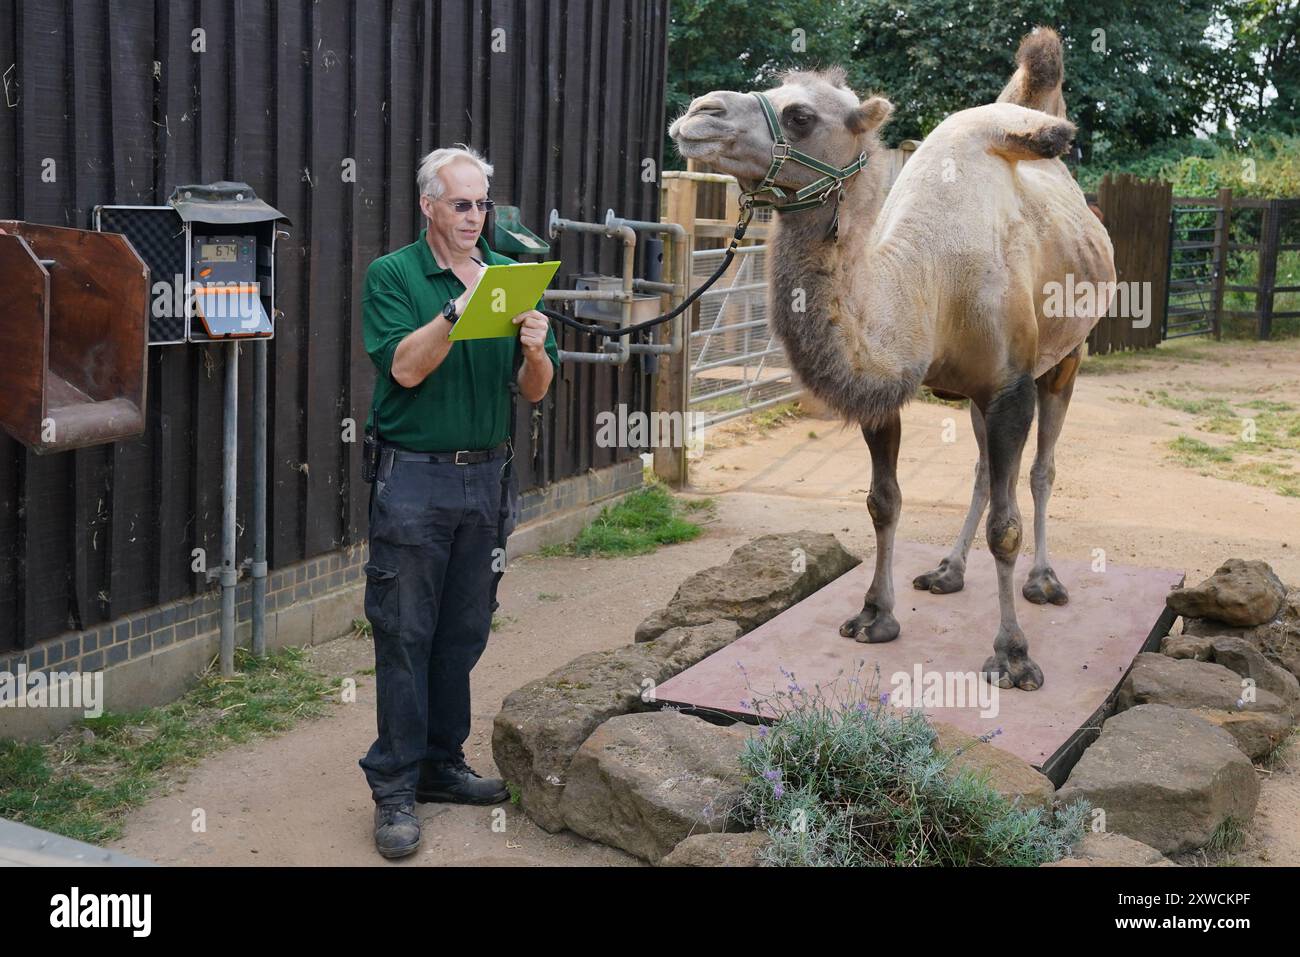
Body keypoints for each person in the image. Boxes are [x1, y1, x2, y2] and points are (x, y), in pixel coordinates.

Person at [358, 145, 559, 859]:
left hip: (488, 478)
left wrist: (534, 347)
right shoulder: (394, 275)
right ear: (429, 207)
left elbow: (535, 389)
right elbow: (405, 369)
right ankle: (394, 787)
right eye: (461, 203)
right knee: (405, 632)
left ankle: (442, 762)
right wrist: (456, 310)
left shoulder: (512, 278)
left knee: (463, 631)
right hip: (414, 477)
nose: (475, 216)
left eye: (482, 204)